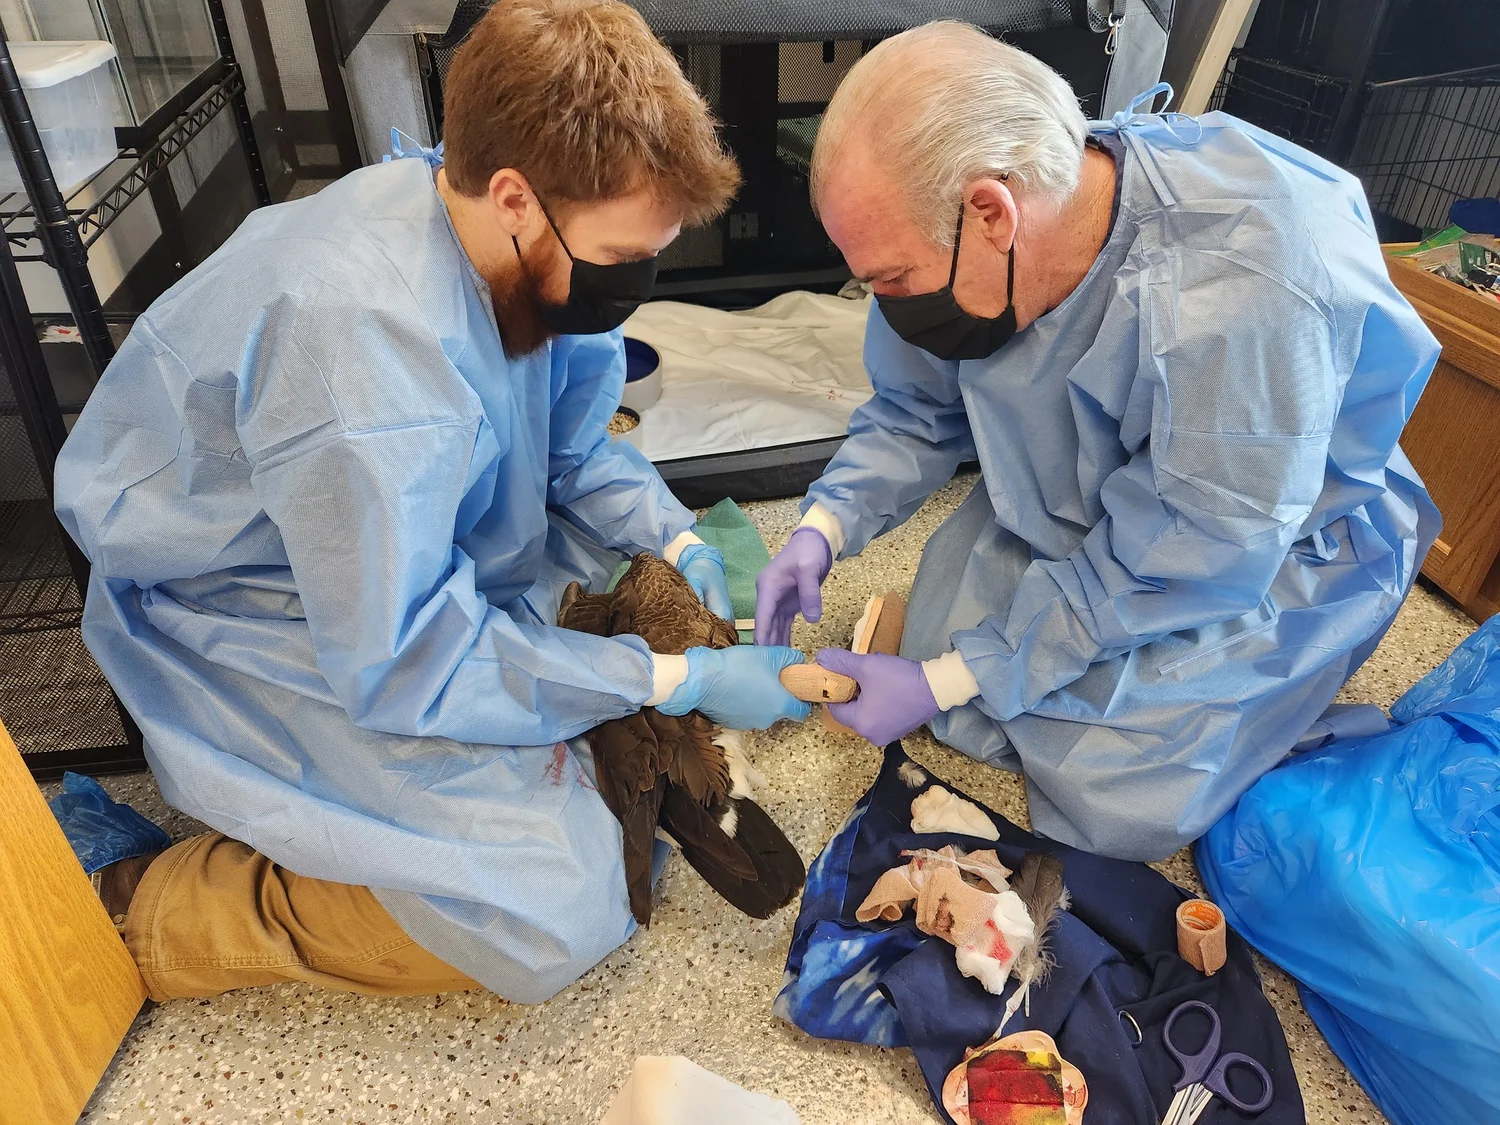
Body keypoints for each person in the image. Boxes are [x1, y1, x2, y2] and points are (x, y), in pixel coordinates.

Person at [53, 0, 809, 1005]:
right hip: (260, 612)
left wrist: (671, 536)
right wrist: (665, 678)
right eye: (628, 254)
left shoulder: (519, 253)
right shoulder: (366, 349)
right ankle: (137, 902)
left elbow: (570, 450)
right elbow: (406, 653)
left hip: (405, 556)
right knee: (559, 902)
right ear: (516, 197)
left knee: (591, 697)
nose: (641, 278)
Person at [755, 23, 1440, 861]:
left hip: (1270, 535)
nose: (886, 300)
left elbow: (1201, 537)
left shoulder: (1245, 282)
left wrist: (944, 680)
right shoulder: (966, 239)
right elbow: (914, 407)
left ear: (990, 211)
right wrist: (821, 526)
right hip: (1093, 486)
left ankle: (1282, 700)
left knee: (1114, 795)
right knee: (967, 666)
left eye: (892, 278)